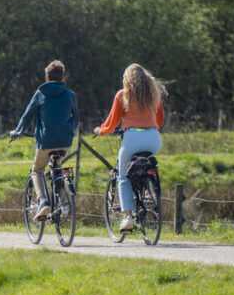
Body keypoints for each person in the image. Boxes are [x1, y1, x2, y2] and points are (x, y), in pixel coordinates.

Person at [93, 63, 166, 233]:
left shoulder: (122, 96)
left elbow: (111, 125)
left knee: (123, 175)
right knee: (146, 165)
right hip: (154, 140)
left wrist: (100, 130)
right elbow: (160, 121)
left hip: (132, 139)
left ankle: (127, 217)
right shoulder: (154, 95)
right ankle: (148, 193)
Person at [9, 60, 79, 220]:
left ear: (47, 78)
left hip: (46, 141)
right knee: (57, 168)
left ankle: (43, 202)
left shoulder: (40, 93)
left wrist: (18, 131)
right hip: (65, 141)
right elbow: (76, 118)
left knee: (38, 170)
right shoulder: (71, 95)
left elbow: (28, 115)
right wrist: (69, 131)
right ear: (63, 78)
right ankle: (64, 203)